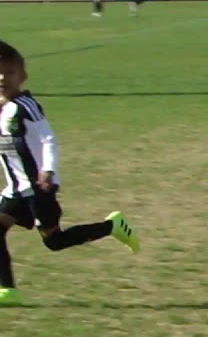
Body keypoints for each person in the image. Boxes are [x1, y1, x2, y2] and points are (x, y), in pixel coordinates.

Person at [0, 40, 139, 305]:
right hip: (15, 189)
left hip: (37, 189)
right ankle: (7, 290)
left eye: (9, 72)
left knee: (54, 241)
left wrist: (49, 170)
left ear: (23, 76)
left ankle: (113, 226)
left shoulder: (25, 107)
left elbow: (48, 139)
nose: (2, 78)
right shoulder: (1, 107)